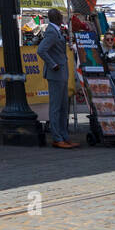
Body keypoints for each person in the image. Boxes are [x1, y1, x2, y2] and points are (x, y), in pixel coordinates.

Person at [37, 8, 76, 148]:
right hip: (56, 73)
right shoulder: (52, 32)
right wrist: (53, 64)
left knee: (64, 106)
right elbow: (41, 50)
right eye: (60, 15)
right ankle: (57, 137)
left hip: (61, 73)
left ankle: (64, 135)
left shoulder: (57, 30)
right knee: (56, 106)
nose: (62, 17)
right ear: (56, 18)